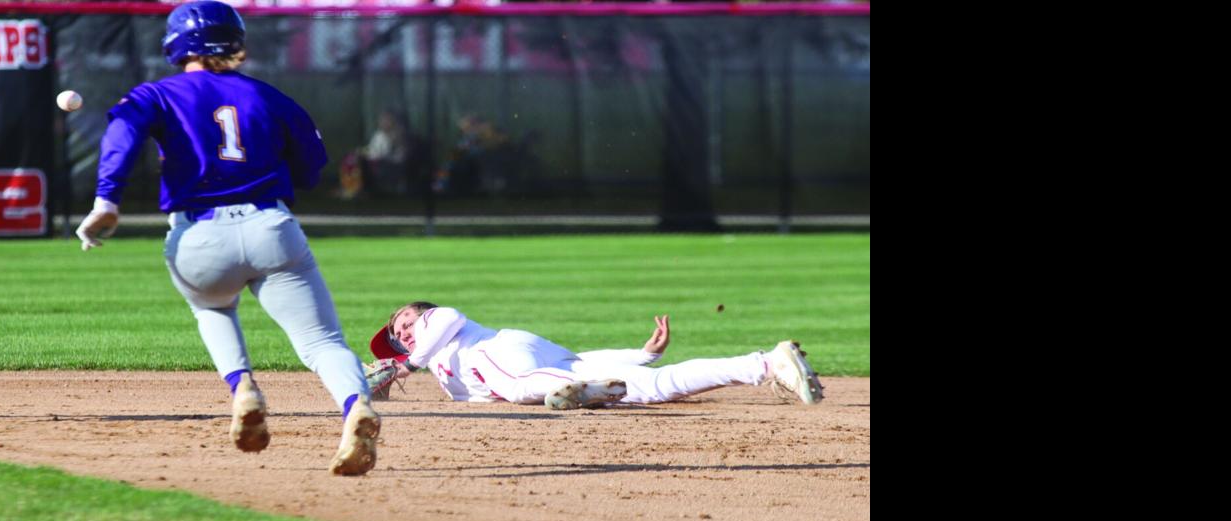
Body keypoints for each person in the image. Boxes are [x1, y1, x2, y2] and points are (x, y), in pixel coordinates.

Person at [74, 1, 379, 475]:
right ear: (235, 43)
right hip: (270, 227)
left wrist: (106, 201)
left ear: (176, 44)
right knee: (322, 343)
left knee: (212, 307)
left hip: (197, 236)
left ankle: (243, 389)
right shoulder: (269, 95)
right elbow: (312, 164)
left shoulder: (156, 94)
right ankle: (355, 404)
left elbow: (122, 132)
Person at [369, 303, 824, 409]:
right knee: (651, 388)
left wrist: (403, 364)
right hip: (538, 359)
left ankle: (574, 394)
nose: (402, 329)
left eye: (405, 318)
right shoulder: (435, 363)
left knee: (519, 387)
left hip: (497, 354)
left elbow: (445, 321)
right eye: (397, 334)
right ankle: (765, 363)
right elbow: (574, 359)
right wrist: (637, 354)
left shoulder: (441, 324)